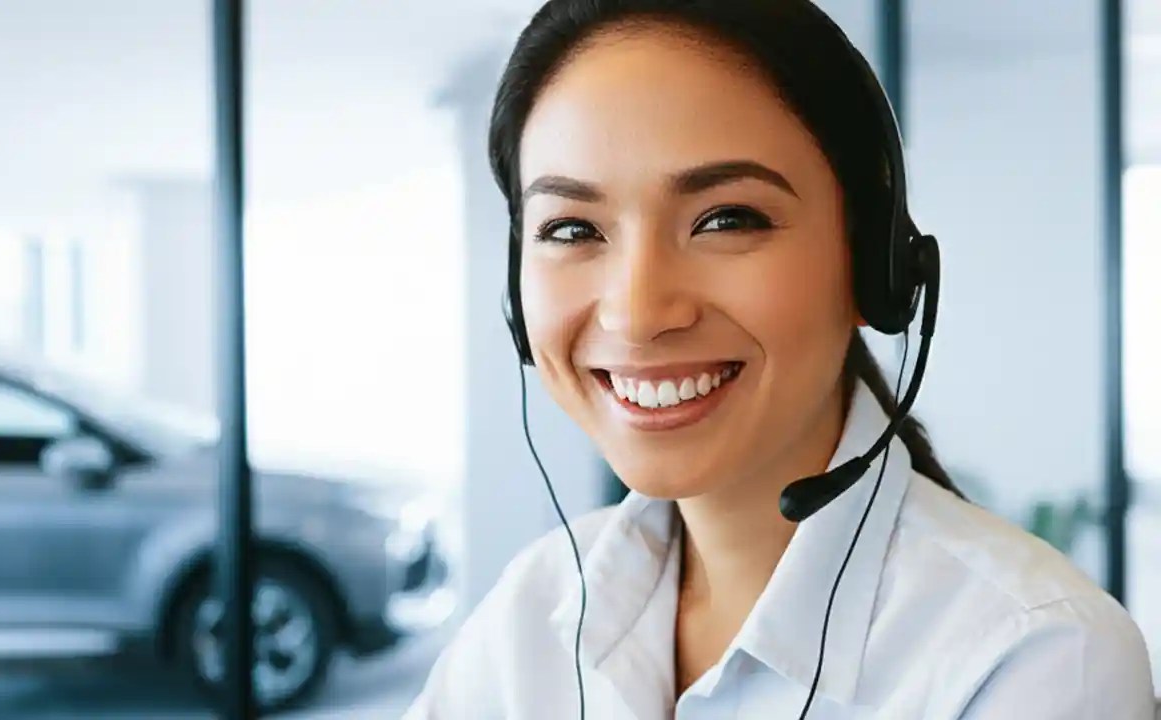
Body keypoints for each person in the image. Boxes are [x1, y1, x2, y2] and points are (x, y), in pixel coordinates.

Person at [407, 0, 1157, 717]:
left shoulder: (1033, 657)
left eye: (727, 219)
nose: (636, 314)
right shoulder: (533, 613)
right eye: (572, 230)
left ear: (871, 265)